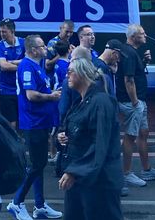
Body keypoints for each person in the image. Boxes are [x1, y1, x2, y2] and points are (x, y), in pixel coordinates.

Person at [57, 57, 123, 219]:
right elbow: (79, 131)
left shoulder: (101, 102)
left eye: (70, 72)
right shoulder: (81, 101)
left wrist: (74, 172)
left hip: (99, 181)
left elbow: (101, 143)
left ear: (81, 73)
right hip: (80, 178)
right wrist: (63, 137)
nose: (67, 76)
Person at [7, 34, 63, 220]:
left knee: (39, 164)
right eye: (41, 46)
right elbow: (31, 95)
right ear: (32, 50)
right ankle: (17, 202)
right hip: (33, 123)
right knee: (37, 164)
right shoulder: (27, 66)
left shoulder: (37, 65)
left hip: (41, 121)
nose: (45, 48)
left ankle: (39, 205)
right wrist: (52, 96)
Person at [116, 24, 155, 187]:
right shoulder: (129, 53)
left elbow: (135, 75)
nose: (146, 36)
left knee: (143, 133)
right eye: (142, 34)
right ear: (133, 37)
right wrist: (135, 102)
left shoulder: (133, 53)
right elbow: (128, 80)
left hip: (139, 101)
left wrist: (144, 61)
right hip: (132, 102)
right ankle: (126, 173)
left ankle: (146, 169)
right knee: (130, 136)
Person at [0, 18, 25, 128]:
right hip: (6, 89)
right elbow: (4, 66)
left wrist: (13, 62)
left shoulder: (23, 42)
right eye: (1, 31)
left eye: (4, 31)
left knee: (23, 119)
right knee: (10, 122)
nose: (2, 34)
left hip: (23, 88)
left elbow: (30, 61)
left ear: (12, 31)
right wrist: (22, 65)